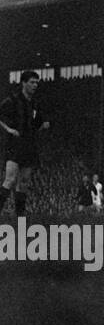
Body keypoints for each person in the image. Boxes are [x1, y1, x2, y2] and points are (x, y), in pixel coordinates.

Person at [0, 70, 50, 217]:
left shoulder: (35, 103)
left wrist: (44, 125)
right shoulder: (13, 100)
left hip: (30, 144)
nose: (35, 85)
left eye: (36, 83)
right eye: (32, 82)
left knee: (24, 181)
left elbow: (39, 123)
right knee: (10, 179)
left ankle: (19, 216)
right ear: (24, 83)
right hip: (15, 144)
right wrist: (9, 129)